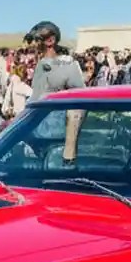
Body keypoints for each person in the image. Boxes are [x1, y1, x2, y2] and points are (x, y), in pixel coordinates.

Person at [24, 21, 85, 165]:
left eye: (36, 40)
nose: (32, 45)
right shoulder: (40, 65)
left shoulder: (67, 65)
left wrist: (70, 148)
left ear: (50, 41)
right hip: (35, 133)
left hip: (56, 139)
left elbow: (80, 102)